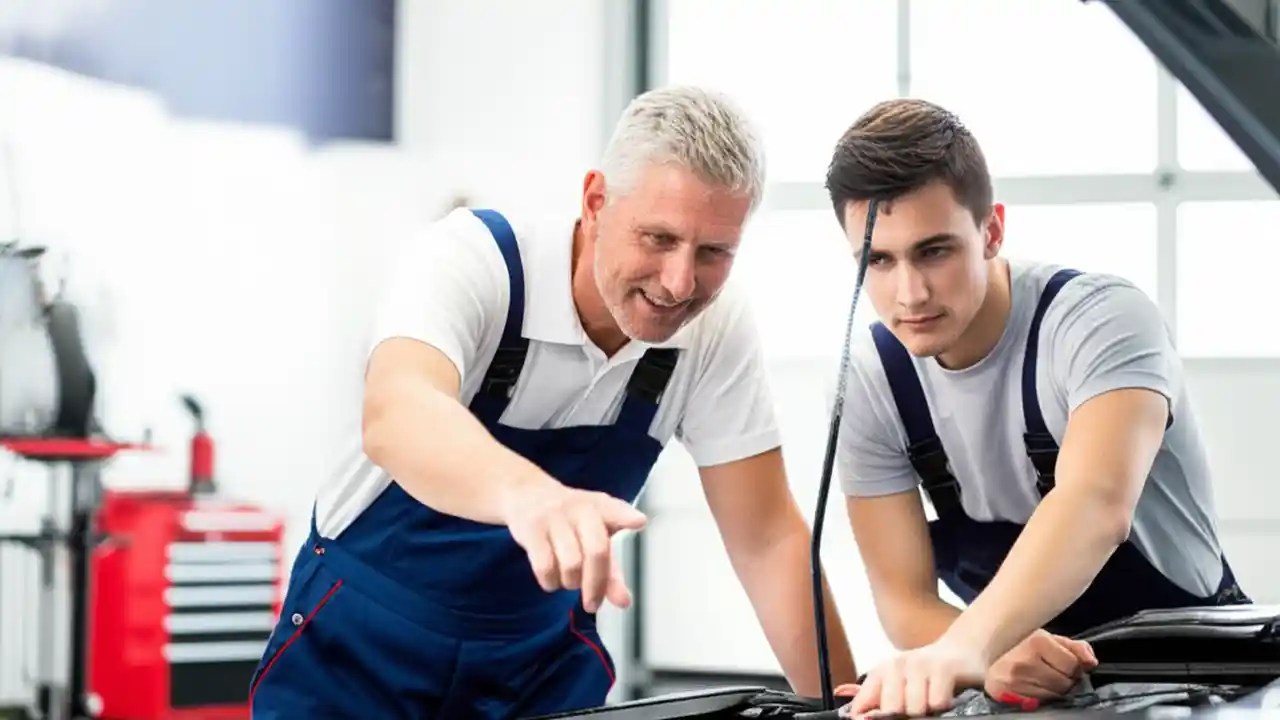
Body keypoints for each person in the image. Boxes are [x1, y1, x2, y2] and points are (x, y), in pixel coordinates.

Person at [247, 85, 857, 719]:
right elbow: (398, 411)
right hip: (359, 653)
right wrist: (531, 497)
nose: (679, 283)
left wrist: (847, 708)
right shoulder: (473, 260)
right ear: (596, 201)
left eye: (713, 253)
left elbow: (766, 541)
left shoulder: (714, 329)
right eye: (657, 238)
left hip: (532, 672)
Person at [822, 98, 1249, 718]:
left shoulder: (1099, 319)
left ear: (991, 229)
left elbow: (1095, 505)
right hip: (1030, 694)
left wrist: (970, 644)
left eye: (934, 251)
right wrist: (995, 655)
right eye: (878, 261)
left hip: (1196, 679)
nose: (908, 293)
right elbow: (902, 599)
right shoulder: (871, 378)